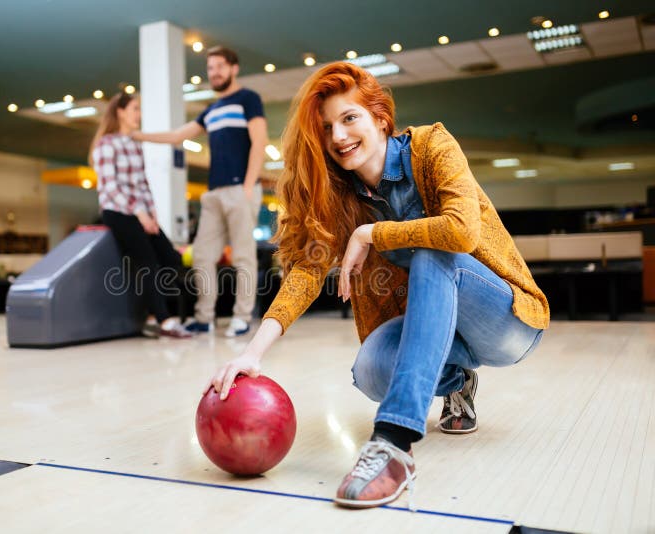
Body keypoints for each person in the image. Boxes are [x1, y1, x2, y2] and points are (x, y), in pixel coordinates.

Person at [204, 62, 549, 508]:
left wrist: (371, 234)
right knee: (370, 369)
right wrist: (253, 351)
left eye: (350, 119)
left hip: (505, 322)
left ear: (380, 117)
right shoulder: (342, 198)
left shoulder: (431, 146)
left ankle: (393, 444)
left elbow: (462, 231)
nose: (339, 137)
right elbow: (307, 273)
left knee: (433, 248)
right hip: (442, 330)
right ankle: (457, 380)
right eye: (328, 128)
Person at [133, 46, 267, 338]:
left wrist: (247, 187)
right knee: (203, 255)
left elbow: (259, 142)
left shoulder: (248, 99)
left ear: (234, 68)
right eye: (210, 68)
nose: (214, 72)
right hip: (213, 194)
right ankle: (204, 318)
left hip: (240, 190)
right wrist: (136, 135)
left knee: (243, 257)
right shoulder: (212, 110)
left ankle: (242, 318)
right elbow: (176, 136)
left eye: (220, 66)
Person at [89, 93, 192, 339]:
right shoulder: (106, 144)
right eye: (135, 109)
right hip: (118, 212)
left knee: (170, 257)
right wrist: (139, 213)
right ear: (120, 112)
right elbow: (110, 186)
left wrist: (153, 214)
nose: (139, 114)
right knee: (148, 263)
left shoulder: (135, 144)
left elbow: (143, 183)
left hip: (142, 212)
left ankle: (149, 315)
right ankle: (164, 321)